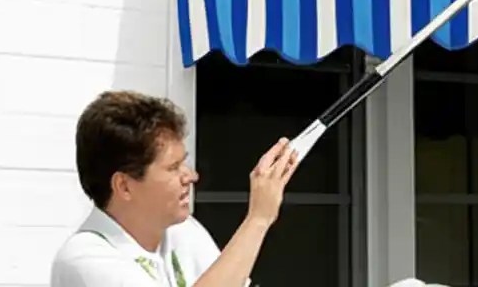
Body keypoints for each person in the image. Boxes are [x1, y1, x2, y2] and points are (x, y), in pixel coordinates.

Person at [50, 90, 298, 286]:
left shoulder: (183, 231)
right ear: (124, 186)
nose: (191, 176)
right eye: (173, 167)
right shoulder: (83, 260)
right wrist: (258, 219)